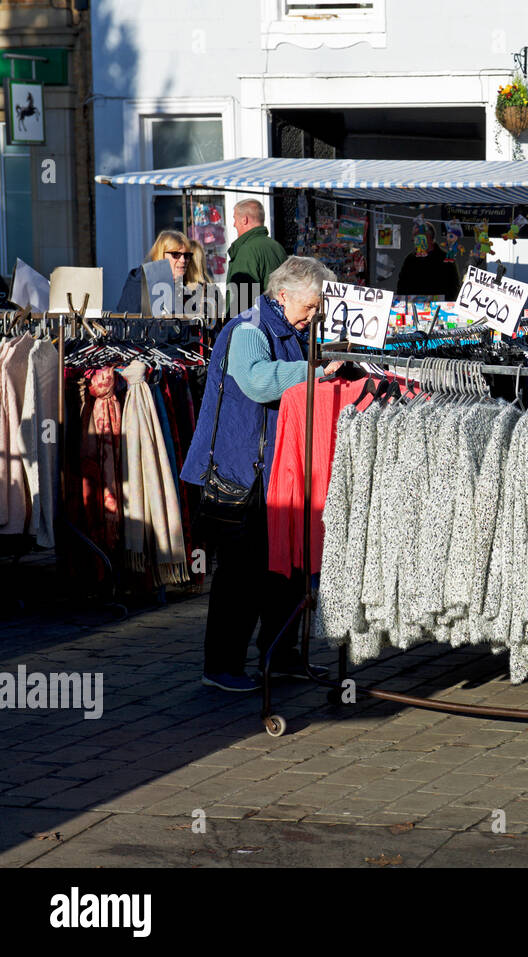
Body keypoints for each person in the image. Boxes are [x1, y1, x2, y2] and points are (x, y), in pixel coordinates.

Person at [179, 256, 343, 693]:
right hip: (236, 472)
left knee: (287, 567)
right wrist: (314, 371)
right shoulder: (248, 328)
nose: (314, 315)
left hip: (276, 471)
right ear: (283, 295)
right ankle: (221, 667)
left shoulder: (296, 328)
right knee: (240, 575)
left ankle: (281, 654)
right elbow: (257, 381)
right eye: (309, 306)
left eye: (318, 308)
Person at [115, 229, 207, 313]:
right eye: (175, 254)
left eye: (186, 255)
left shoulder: (184, 288)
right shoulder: (141, 284)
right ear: (161, 255)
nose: (183, 260)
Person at [225, 199, 288, 320]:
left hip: (253, 326)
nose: (234, 224)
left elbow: (240, 301)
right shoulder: (277, 247)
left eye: (235, 219)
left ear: (244, 220)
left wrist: (230, 329)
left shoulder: (247, 250)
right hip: (277, 323)